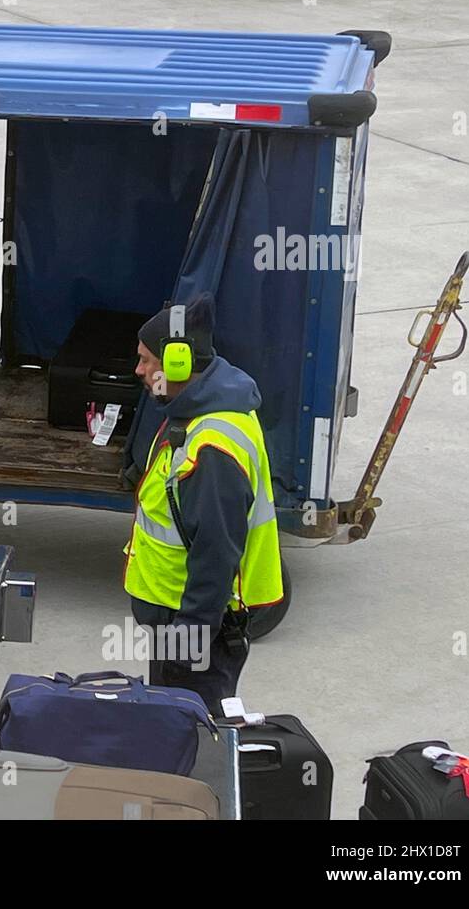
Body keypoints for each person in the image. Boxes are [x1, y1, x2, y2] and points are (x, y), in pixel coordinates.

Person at [123, 293, 284, 714]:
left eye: (146, 360)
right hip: (182, 628)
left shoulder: (213, 445)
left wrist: (187, 638)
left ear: (178, 362)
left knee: (194, 750)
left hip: (194, 637)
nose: (139, 370)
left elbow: (216, 550)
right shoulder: (199, 410)